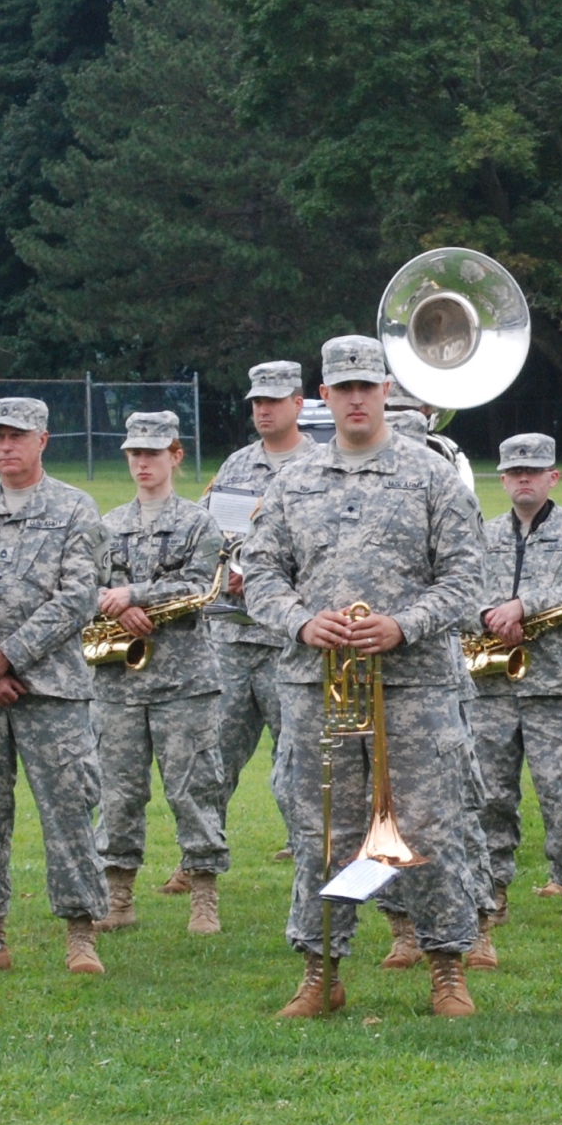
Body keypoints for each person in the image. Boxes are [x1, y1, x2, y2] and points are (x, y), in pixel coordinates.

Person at [241, 335, 489, 1021]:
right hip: (317, 686)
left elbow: (469, 576)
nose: (355, 398)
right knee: (324, 832)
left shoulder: (432, 474)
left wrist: (404, 625)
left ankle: (447, 966)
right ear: (323, 397)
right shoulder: (291, 482)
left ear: (387, 393)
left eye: (367, 386)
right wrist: (299, 621)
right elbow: (258, 575)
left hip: (415, 689)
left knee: (430, 830)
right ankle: (322, 969)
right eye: (342, 388)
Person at [0, 397, 112, 979]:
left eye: (17, 436)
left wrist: (9, 658)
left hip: (53, 690)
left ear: (42, 441)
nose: (5, 447)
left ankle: (81, 933)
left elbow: (77, 598)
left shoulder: (75, 509)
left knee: (69, 808)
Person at [89, 412, 231, 933]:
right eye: (134, 454)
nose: (142, 462)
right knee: (118, 792)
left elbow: (201, 587)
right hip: (118, 685)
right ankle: (118, 898)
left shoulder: (199, 523)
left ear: (175, 455)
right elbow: (81, 587)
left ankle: (203, 894)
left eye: (153, 453)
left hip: (185, 682)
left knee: (194, 789)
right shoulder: (106, 526)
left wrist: (137, 594)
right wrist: (114, 606)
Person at [471, 432, 562, 931]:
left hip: (560, 686)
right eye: (515, 471)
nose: (524, 478)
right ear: (503, 479)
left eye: (535, 471)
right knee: (488, 794)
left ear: (553, 477)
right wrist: (487, 612)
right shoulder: (481, 534)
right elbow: (456, 588)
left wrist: (524, 605)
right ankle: (492, 894)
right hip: (491, 688)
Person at [192, 360, 307, 886]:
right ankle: (198, 856)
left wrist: (264, 576)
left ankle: (314, 850)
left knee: (303, 757)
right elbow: (204, 531)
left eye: (274, 401)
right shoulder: (235, 465)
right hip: (233, 634)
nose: (263, 409)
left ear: (299, 403)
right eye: (257, 401)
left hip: (292, 637)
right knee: (213, 753)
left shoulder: (321, 466)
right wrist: (225, 570)